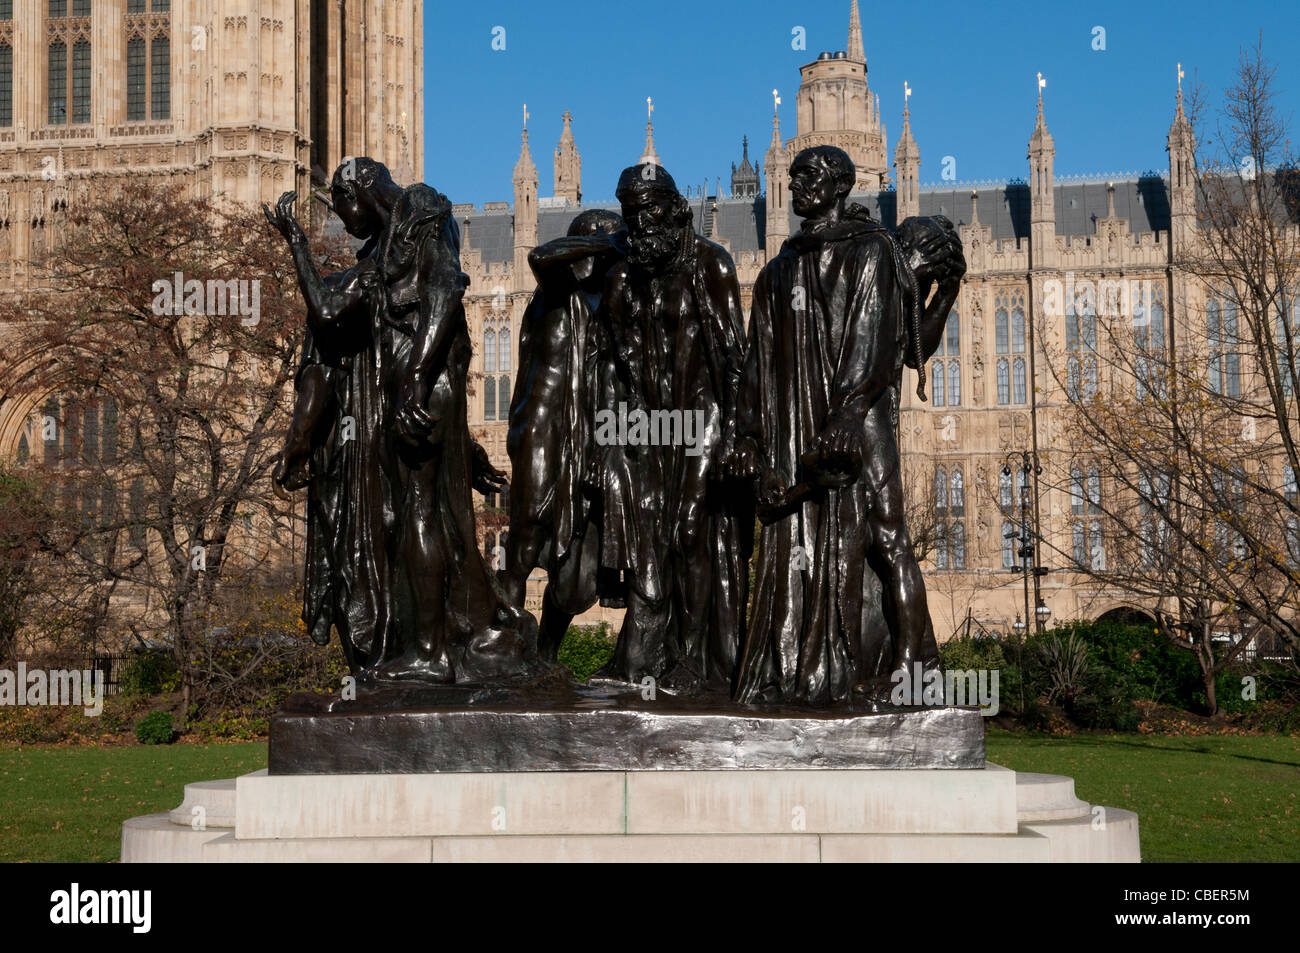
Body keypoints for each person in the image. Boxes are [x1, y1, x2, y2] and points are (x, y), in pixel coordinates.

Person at [265, 157, 537, 684]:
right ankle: (428, 640)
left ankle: (430, 654)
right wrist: (297, 242)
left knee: (418, 514)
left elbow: (444, 290)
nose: (343, 222)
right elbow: (327, 309)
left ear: (359, 191)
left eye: (341, 206)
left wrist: (415, 374)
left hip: (417, 391)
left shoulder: (420, 210)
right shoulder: (387, 247)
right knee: (422, 517)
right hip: (414, 393)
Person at [726, 145, 962, 707]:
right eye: (793, 176)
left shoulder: (875, 252)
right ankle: (810, 665)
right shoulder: (777, 272)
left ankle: (911, 667)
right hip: (797, 429)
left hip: (862, 420)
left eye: (808, 175)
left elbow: (886, 345)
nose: (795, 184)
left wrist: (851, 412)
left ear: (839, 185)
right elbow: (755, 368)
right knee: (806, 541)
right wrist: (747, 437)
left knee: (887, 537)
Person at [589, 163, 751, 694]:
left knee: (687, 528)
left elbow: (732, 358)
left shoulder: (712, 266)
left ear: (672, 207)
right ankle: (643, 657)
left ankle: (694, 659)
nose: (639, 227)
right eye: (630, 217)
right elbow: (607, 362)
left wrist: (741, 434)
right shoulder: (624, 277)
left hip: (701, 419)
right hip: (648, 425)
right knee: (648, 536)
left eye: (647, 212)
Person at [499, 209, 625, 661]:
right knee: (527, 535)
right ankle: (504, 654)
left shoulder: (611, 307)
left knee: (578, 580)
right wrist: (608, 241)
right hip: (542, 431)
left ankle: (545, 656)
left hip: (592, 443)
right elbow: (539, 255)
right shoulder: (553, 290)